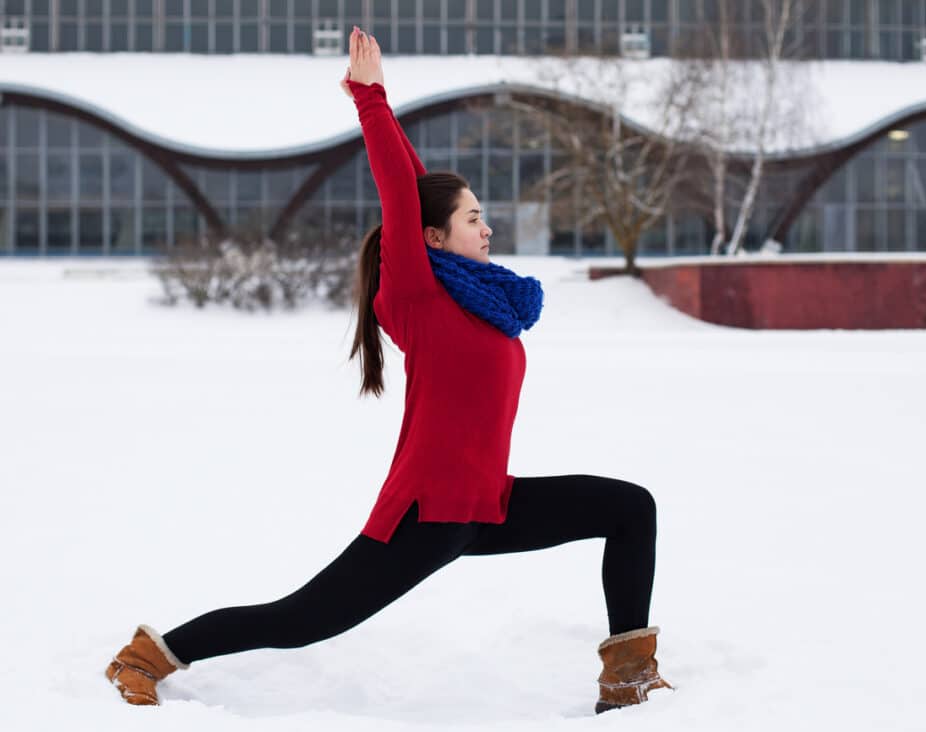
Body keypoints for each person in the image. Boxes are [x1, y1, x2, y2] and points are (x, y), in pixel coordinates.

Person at [104, 26, 672, 715]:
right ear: (434, 237)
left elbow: (419, 186)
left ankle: (627, 678)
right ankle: (148, 656)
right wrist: (370, 99)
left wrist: (385, 106)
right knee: (300, 620)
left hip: (489, 504)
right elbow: (403, 192)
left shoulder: (479, 303)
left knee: (629, 507)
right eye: (472, 218)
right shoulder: (416, 297)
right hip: (428, 515)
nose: (486, 227)